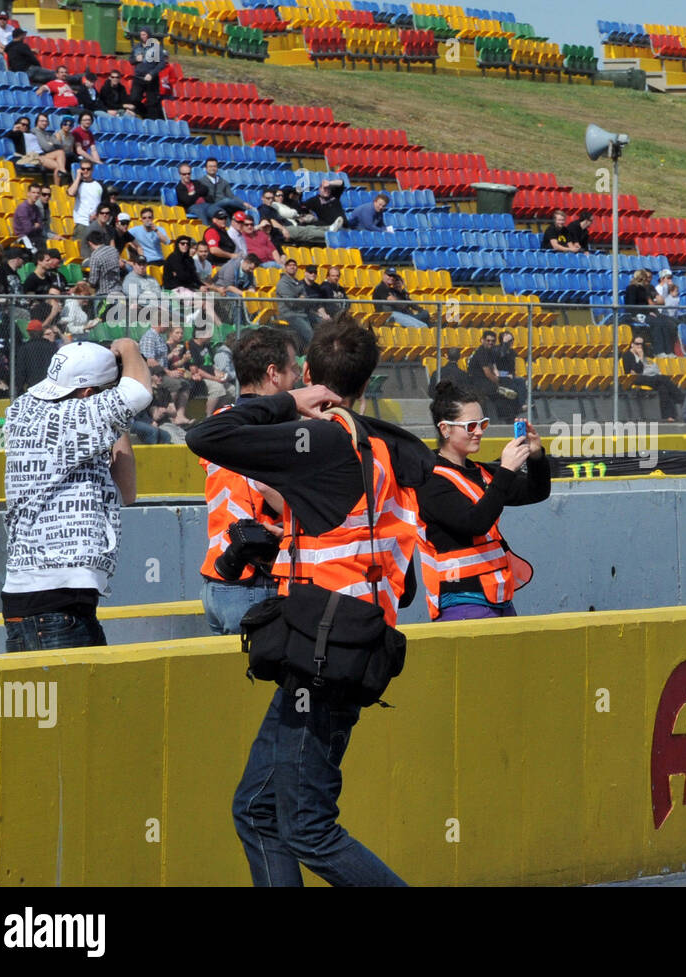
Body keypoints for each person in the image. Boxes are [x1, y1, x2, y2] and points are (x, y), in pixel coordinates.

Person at [186, 315, 434, 887]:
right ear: (368, 381)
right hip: (344, 645)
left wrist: (288, 402)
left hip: (325, 655)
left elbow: (208, 435)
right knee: (257, 811)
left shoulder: (321, 441)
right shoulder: (386, 444)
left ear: (312, 377)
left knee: (309, 827)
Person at [1, 339, 152, 652]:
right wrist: (127, 348)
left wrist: (114, 416)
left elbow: (126, 491)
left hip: (48, 603)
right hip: (54, 605)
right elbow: (139, 392)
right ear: (88, 394)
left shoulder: (24, 410)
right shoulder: (73, 417)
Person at [197, 327, 299, 635]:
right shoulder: (273, 429)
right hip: (255, 581)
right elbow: (267, 487)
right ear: (273, 374)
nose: (298, 377)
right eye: (293, 368)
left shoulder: (221, 422)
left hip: (217, 580)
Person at [418, 381, 548, 621]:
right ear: (445, 429)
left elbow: (536, 491)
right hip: (460, 601)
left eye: (482, 424)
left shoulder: (482, 473)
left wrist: (536, 456)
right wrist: (507, 471)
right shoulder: (430, 480)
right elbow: (474, 522)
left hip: (498, 596)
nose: (478, 431)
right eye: (470, 426)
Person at [619, 335, 679, 421]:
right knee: (662, 378)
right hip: (634, 379)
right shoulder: (627, 355)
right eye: (637, 344)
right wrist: (640, 358)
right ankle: (679, 397)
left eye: (641, 344)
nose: (639, 346)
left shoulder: (645, 355)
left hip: (647, 377)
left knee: (663, 388)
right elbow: (635, 371)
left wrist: (641, 359)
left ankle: (668, 416)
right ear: (632, 344)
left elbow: (647, 368)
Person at [623, 268, 677, 356]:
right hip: (636, 315)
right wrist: (646, 312)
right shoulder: (631, 288)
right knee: (656, 323)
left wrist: (649, 311)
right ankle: (659, 351)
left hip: (645, 314)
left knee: (665, 322)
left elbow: (648, 304)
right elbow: (631, 305)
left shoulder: (644, 289)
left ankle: (669, 351)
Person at [466, 329, 517, 422]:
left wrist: (498, 378)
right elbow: (487, 372)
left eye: (493, 341)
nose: (491, 343)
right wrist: (497, 382)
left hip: (486, 381)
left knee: (511, 383)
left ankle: (512, 413)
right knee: (502, 393)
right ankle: (508, 416)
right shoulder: (481, 352)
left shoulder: (490, 352)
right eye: (488, 341)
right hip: (478, 382)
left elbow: (493, 367)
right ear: (482, 340)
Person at [67, 160, 104, 256]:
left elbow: (104, 204)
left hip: (96, 223)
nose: (85, 171)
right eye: (83, 169)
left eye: (88, 169)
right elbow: (71, 193)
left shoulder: (99, 185)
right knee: (81, 252)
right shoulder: (78, 183)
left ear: (92, 170)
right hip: (82, 223)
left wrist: (97, 215)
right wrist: (78, 177)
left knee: (97, 253)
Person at [274, 257, 312, 351]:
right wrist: (300, 299)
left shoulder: (298, 282)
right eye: (289, 265)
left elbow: (306, 298)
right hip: (289, 314)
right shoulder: (283, 283)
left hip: (301, 312)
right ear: (285, 268)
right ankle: (313, 352)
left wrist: (300, 299)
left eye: (294, 265)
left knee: (320, 322)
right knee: (308, 332)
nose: (292, 267)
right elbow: (291, 303)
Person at [129, 28, 165, 118]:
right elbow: (131, 60)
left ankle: (152, 121)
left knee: (152, 102)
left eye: (144, 34)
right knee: (134, 99)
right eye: (141, 35)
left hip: (151, 79)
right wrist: (136, 59)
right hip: (138, 78)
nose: (143, 37)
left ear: (149, 35)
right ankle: (144, 114)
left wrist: (152, 74)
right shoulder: (137, 47)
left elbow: (161, 64)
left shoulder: (155, 48)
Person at [27, 114, 70, 186]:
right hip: (35, 156)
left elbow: (59, 145)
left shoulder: (47, 133)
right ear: (37, 122)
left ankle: (62, 172)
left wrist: (51, 144)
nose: (44, 123)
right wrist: (51, 144)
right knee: (57, 165)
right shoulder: (34, 131)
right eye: (42, 121)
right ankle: (58, 185)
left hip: (44, 155)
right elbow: (46, 147)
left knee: (60, 152)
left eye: (46, 121)